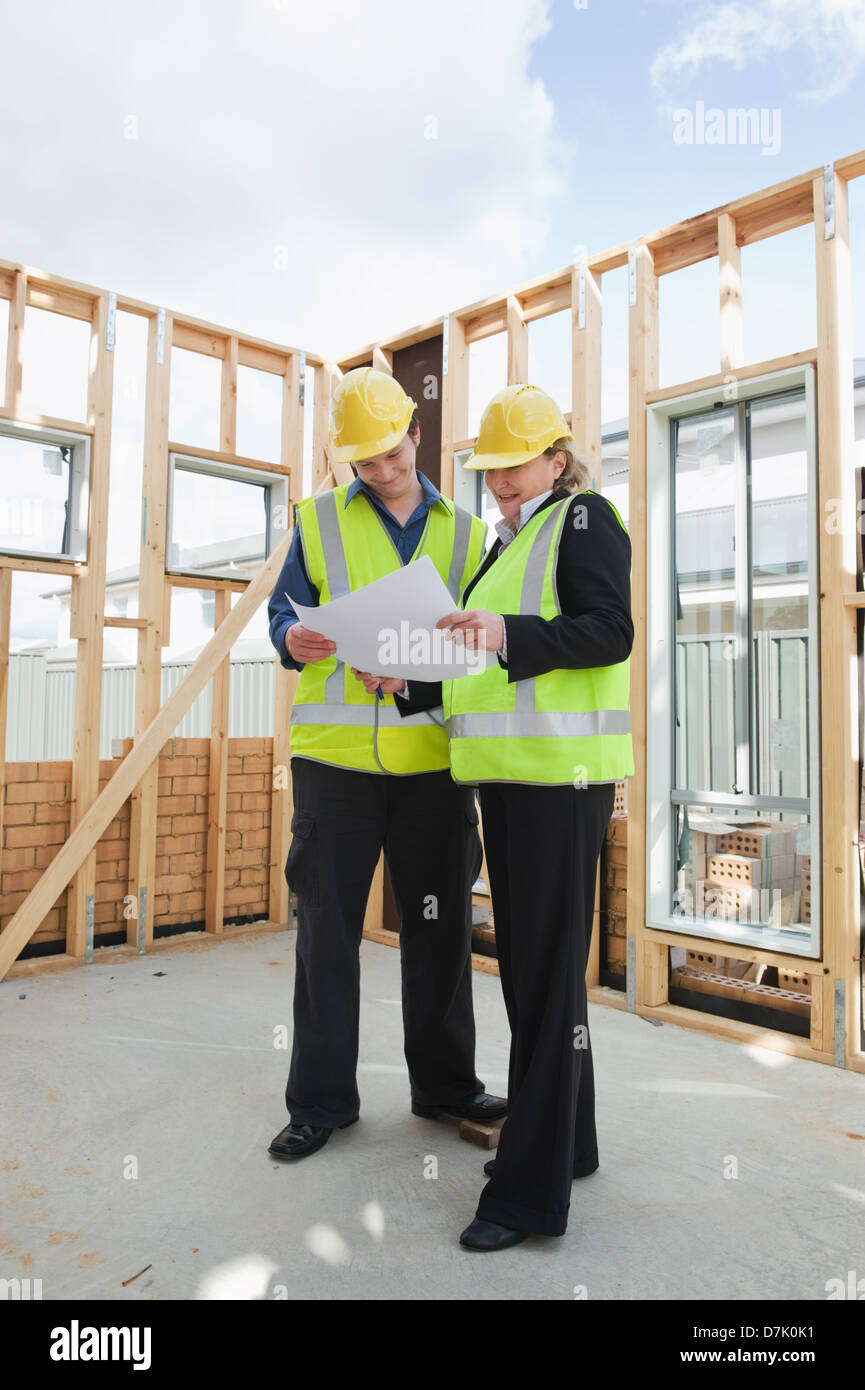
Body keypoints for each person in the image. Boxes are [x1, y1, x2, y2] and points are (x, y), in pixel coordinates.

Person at [266, 366, 506, 1160]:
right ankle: (321, 1103)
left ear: (415, 434)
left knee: (438, 931)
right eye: (365, 462)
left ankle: (445, 1086)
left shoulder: (472, 534)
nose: (382, 470)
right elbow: (283, 613)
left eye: (392, 455)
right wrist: (288, 640)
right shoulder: (317, 519)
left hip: (434, 762)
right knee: (326, 933)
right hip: (334, 764)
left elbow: (483, 648)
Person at [432, 383, 634, 1249]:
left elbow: (607, 631)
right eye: (489, 470)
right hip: (509, 782)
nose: (499, 482)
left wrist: (507, 633)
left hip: (562, 782)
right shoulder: (505, 544)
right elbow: (482, 662)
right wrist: (406, 679)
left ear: (556, 457)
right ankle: (568, 1146)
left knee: (546, 986)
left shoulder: (584, 518)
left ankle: (525, 1196)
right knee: (532, 979)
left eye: (514, 466)